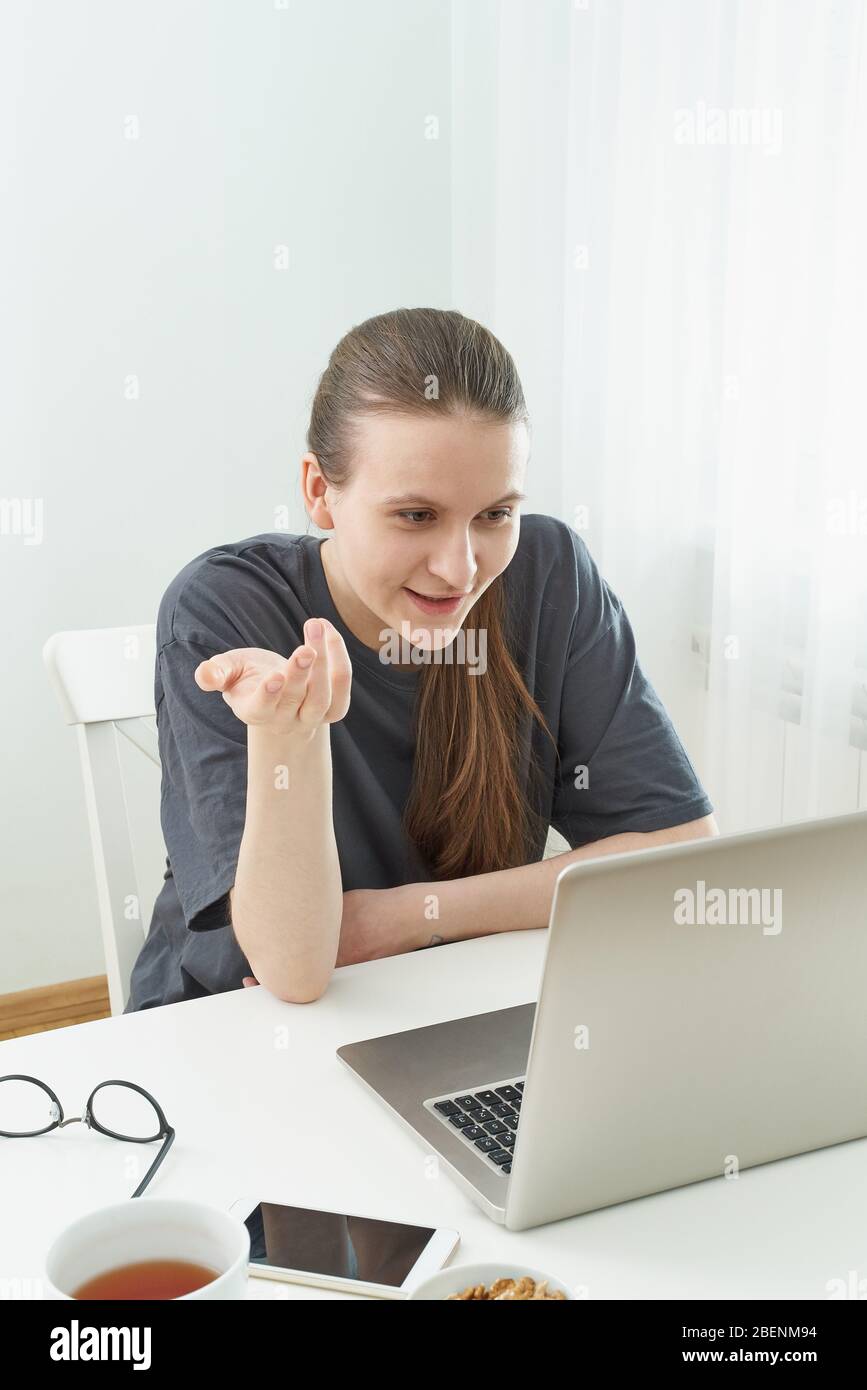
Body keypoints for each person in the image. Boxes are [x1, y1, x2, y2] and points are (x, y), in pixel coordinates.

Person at [124, 307, 717, 1012]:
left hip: (455, 1002)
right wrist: (287, 734)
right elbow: (294, 969)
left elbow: (680, 861)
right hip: (236, 1023)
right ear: (319, 491)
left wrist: (404, 918)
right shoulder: (226, 607)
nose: (460, 569)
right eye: (415, 516)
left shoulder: (549, 572)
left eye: (495, 514)